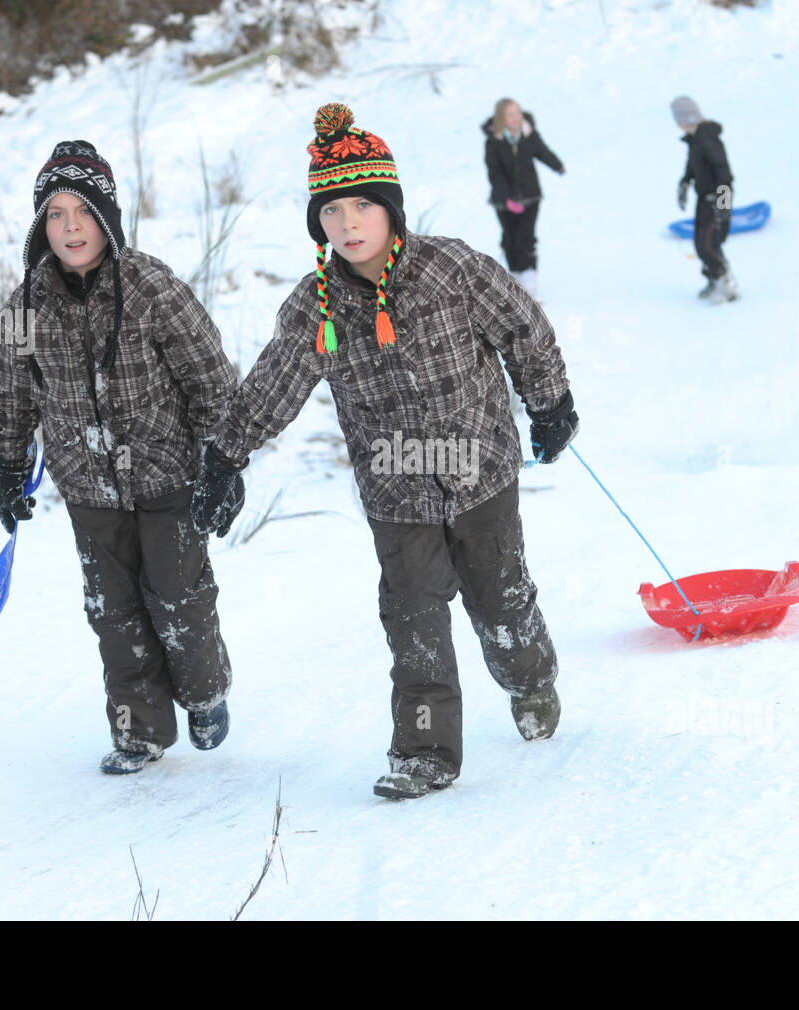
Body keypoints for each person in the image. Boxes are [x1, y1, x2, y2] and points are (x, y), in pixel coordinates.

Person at [193, 104, 578, 800]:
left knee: (502, 606)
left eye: (362, 205)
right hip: (395, 494)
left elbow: (525, 329)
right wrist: (224, 456)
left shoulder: (451, 269)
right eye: (331, 212)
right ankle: (424, 753)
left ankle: (531, 681)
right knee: (414, 622)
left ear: (391, 208)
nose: (348, 224)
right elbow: (274, 383)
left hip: (482, 474)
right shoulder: (318, 306)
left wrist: (549, 401)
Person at [0, 140, 242, 775]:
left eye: (81, 211)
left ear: (106, 217)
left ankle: (205, 694)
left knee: (179, 596)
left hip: (166, 475)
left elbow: (210, 377)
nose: (69, 227)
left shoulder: (152, 286)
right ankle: (139, 731)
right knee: (113, 611)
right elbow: (12, 394)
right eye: (54, 214)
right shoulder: (25, 308)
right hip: (86, 485)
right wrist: (9, 465)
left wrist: (224, 459)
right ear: (40, 228)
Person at [481, 97, 564, 298]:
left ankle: (530, 282)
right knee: (510, 238)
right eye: (510, 115)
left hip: (530, 196)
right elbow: (495, 173)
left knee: (526, 237)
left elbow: (542, 152)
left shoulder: (528, 134)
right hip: (503, 201)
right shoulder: (493, 142)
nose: (516, 118)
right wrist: (507, 197)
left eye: (517, 113)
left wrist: (557, 165)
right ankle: (515, 280)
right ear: (501, 118)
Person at [673, 95, 737, 303]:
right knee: (699, 243)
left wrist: (724, 205)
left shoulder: (708, 140)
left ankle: (726, 283)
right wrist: (684, 182)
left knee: (709, 243)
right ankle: (712, 279)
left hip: (715, 198)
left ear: (687, 118)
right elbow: (693, 166)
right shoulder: (695, 140)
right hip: (703, 197)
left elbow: (724, 175)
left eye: (679, 118)